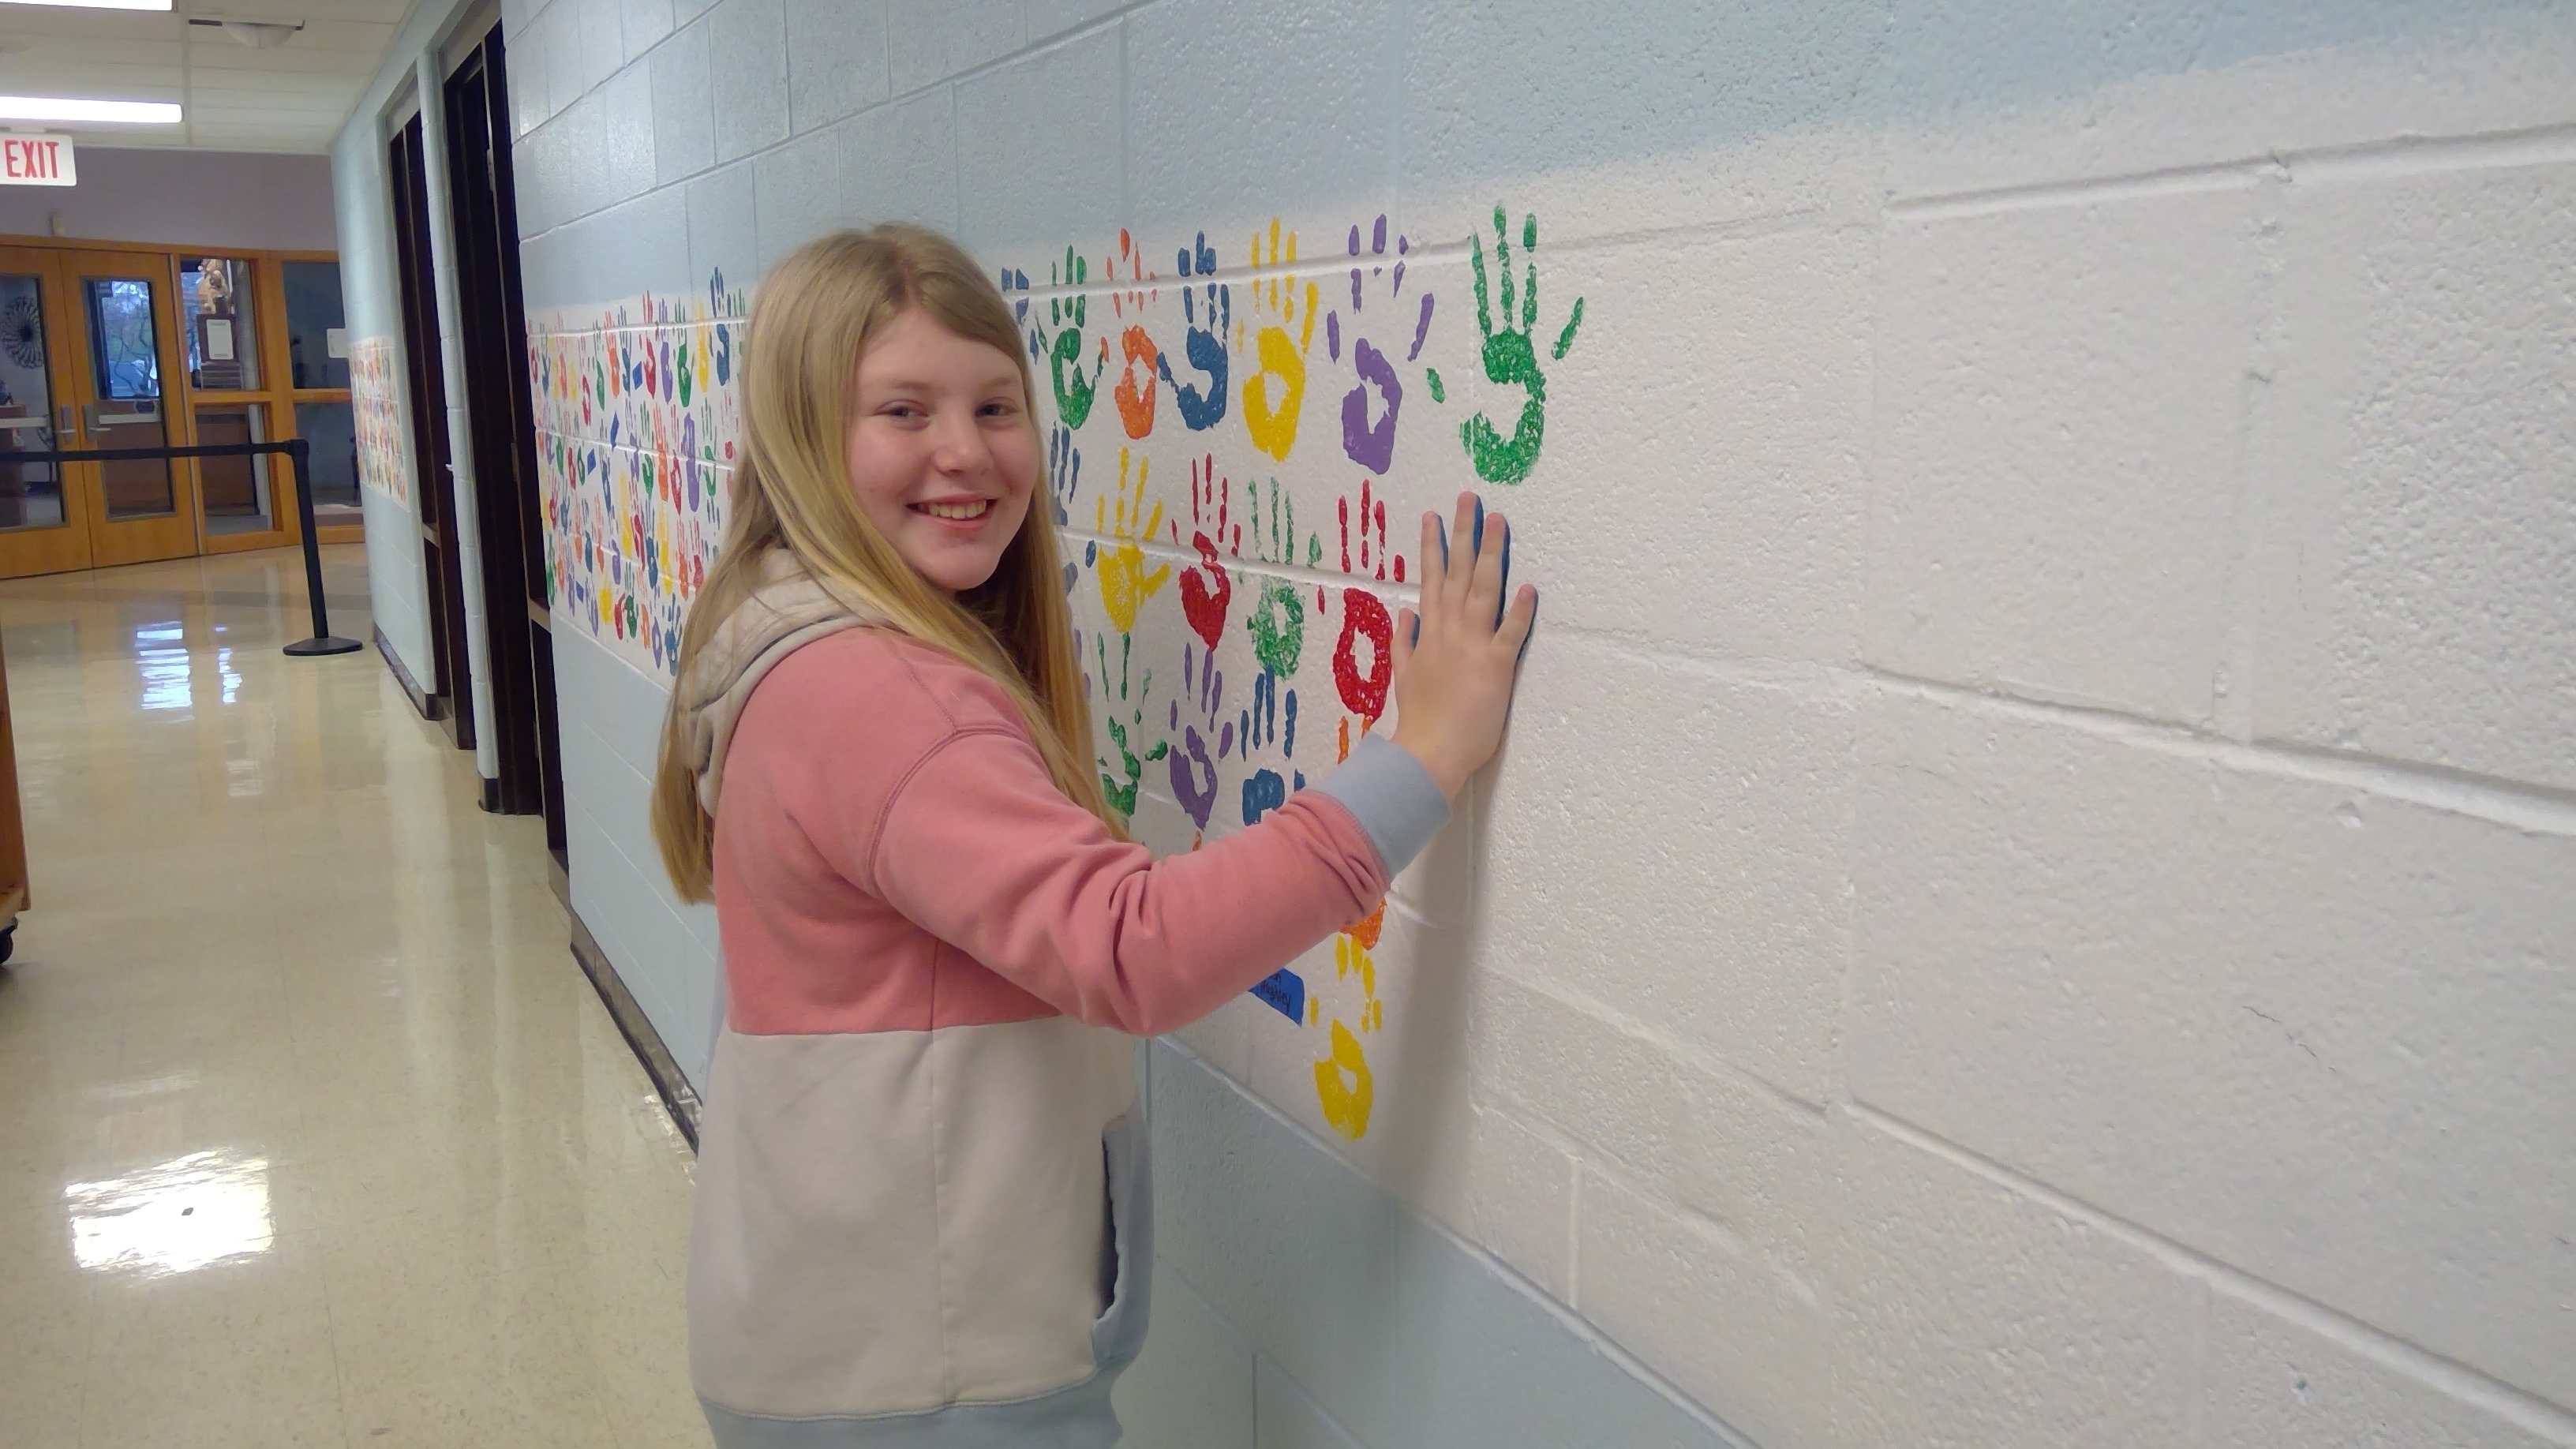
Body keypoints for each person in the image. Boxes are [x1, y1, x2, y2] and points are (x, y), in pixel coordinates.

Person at [650, 225, 1535, 1447]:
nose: (964, 452)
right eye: (902, 410)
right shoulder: (876, 697)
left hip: (837, 1330)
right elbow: (1137, 947)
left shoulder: (787, 635)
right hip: (922, 1379)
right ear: (803, 438)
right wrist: (1423, 756)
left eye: (995, 404)